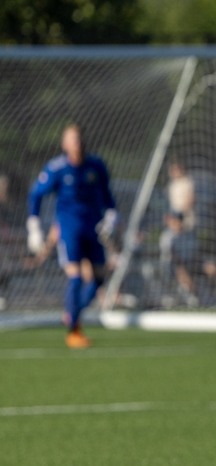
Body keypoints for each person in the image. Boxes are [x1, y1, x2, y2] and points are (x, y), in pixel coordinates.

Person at [26, 123, 117, 348]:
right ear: (64, 144)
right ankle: (74, 332)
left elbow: (107, 195)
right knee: (75, 277)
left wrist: (112, 216)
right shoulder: (56, 168)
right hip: (69, 229)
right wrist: (34, 227)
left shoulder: (96, 165)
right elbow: (36, 195)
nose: (77, 143)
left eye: (80, 138)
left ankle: (72, 312)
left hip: (93, 228)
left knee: (98, 279)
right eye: (72, 139)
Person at [160, 159, 216, 306]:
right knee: (181, 270)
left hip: (190, 262)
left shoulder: (189, 234)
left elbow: (197, 254)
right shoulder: (169, 238)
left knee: (211, 268)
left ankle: (211, 298)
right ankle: (192, 296)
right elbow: (174, 259)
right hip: (174, 266)